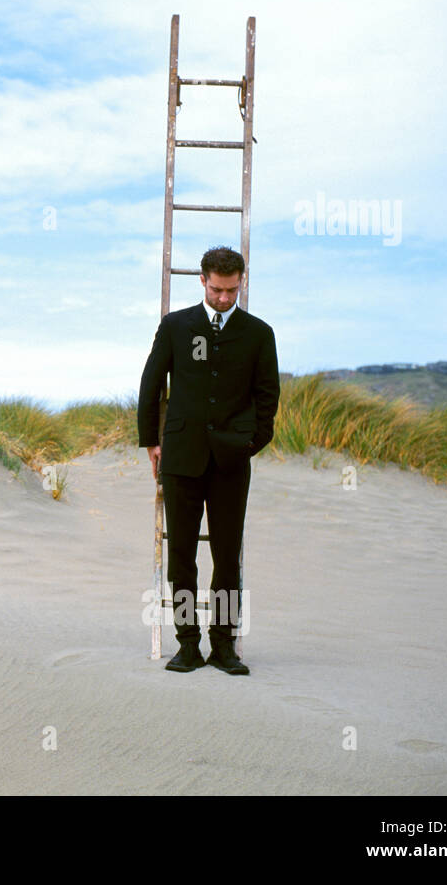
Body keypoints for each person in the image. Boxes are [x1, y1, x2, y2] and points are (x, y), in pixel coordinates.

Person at [137, 246, 280, 675]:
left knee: (225, 555)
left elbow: (267, 397)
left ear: (243, 282)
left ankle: (224, 646)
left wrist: (250, 442)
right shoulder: (176, 326)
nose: (224, 298)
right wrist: (151, 441)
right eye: (217, 290)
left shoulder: (259, 333)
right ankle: (187, 644)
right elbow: (150, 384)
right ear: (202, 281)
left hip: (231, 462)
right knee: (181, 555)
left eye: (232, 290)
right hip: (180, 456)